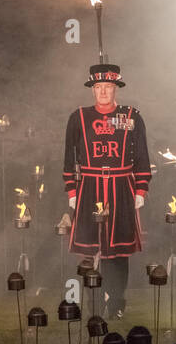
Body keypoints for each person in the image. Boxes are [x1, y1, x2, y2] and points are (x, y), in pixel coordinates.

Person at [63, 63, 151, 321]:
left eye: (108, 87)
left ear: (116, 89)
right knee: (89, 249)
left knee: (117, 251)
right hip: (89, 186)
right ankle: (91, 303)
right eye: (98, 87)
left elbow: (143, 156)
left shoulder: (132, 116)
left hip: (121, 186)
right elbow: (69, 158)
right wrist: (72, 189)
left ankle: (116, 302)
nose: (103, 92)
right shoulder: (78, 117)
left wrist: (141, 189)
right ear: (92, 90)